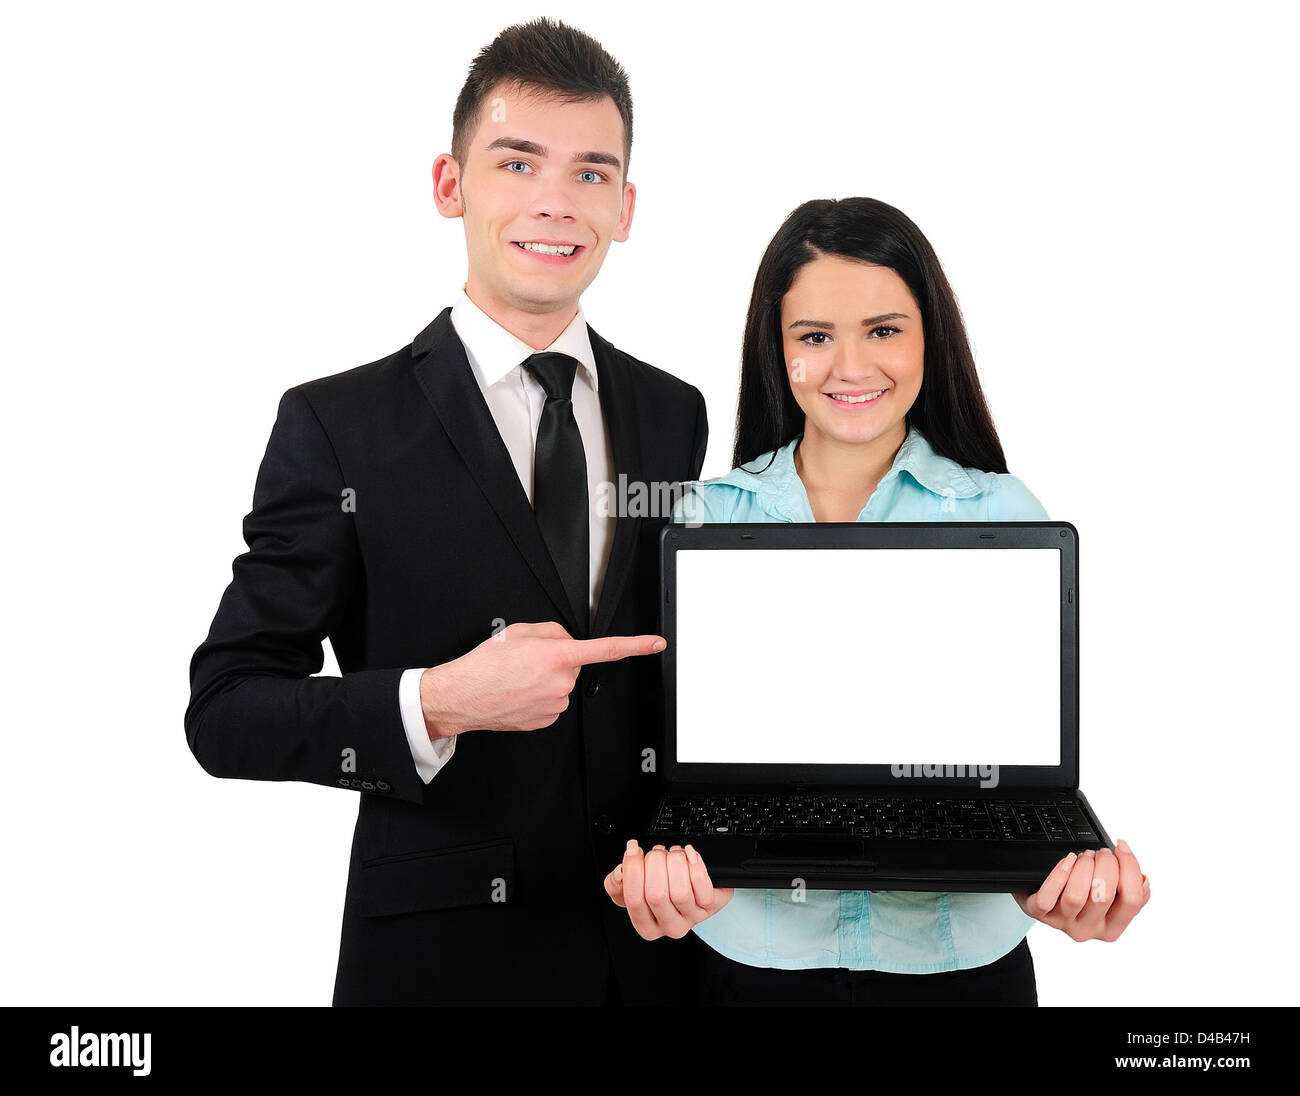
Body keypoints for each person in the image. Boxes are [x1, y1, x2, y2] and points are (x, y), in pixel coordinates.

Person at [185, 17, 708, 1006]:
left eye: (592, 173)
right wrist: (439, 702)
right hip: (444, 969)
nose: (556, 203)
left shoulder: (672, 412)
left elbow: (663, 683)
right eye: (518, 163)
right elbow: (226, 709)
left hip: (654, 965)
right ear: (449, 184)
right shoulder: (337, 425)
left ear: (628, 206)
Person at [605, 197, 1150, 1006]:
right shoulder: (707, 516)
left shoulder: (1001, 514)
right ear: (777, 349)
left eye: (885, 330)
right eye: (815, 336)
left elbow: (1023, 754)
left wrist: (1063, 884)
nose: (851, 367)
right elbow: (661, 752)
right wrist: (663, 876)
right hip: (751, 965)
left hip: (963, 971)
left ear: (931, 336)